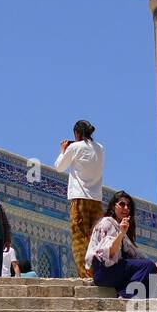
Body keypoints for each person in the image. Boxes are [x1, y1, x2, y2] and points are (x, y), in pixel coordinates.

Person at [85, 190, 157, 299]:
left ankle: (156, 302)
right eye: (122, 204)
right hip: (104, 272)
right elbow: (107, 254)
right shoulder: (107, 224)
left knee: (154, 275)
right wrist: (121, 233)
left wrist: (154, 265)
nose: (126, 208)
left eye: (128, 206)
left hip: (116, 271)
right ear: (113, 206)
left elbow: (134, 254)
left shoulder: (121, 228)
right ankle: (125, 295)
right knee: (147, 266)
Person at [53, 119, 105, 278]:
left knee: (80, 239)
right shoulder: (100, 148)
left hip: (80, 199)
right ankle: (100, 273)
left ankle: (86, 275)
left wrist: (63, 150)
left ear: (76, 133)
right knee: (97, 238)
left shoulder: (75, 147)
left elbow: (59, 166)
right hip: (96, 199)